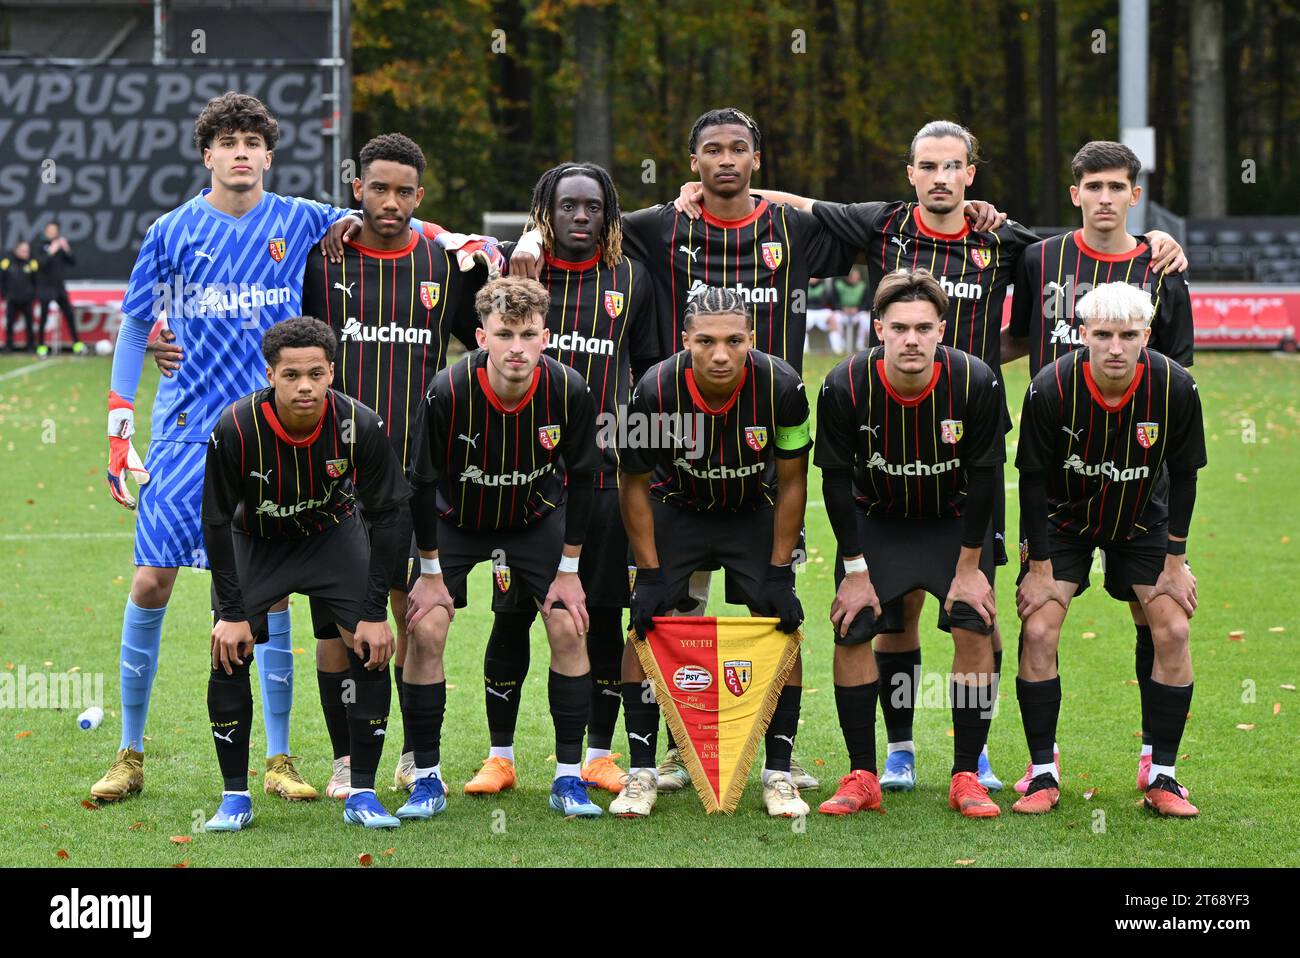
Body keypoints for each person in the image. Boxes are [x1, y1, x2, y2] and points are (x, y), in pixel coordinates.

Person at [683, 120, 1188, 793]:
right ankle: (896, 754)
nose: (942, 178)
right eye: (929, 165)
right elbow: (797, 206)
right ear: (912, 172)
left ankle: (979, 759)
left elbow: (1053, 298)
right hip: (890, 442)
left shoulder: (1006, 243)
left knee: (979, 608)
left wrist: (1159, 242)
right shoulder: (883, 226)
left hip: (970, 442)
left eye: (954, 166)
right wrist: (714, 190)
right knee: (892, 616)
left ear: (972, 175)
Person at [90, 91, 364, 804]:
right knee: (151, 582)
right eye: (227, 142)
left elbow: (390, 220)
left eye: (253, 142)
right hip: (184, 436)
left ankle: (278, 760)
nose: (241, 153)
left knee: (266, 600)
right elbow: (134, 325)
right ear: (207, 153)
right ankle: (130, 752)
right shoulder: (171, 230)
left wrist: (476, 244)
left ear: (269, 156)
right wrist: (121, 418)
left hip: (268, 443)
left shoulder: (301, 218)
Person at [1004, 140, 1196, 793]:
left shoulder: (1163, 267)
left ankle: (1157, 761)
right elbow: (1011, 330)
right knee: (1041, 620)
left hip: (1141, 481)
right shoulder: (1038, 259)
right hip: (1057, 477)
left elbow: (1176, 383)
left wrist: (1178, 550)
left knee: (1157, 615)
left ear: (1135, 195)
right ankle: (1042, 769)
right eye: (1094, 186)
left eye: (1118, 187)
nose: (1106, 198)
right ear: (1075, 192)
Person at [467, 162, 661, 797]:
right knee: (512, 615)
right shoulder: (514, 271)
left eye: (594, 207)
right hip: (518, 482)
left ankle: (597, 755)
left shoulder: (632, 278)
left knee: (596, 618)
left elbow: (652, 375)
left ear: (609, 214)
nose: (582, 217)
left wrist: (647, 463)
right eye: (568, 206)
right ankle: (500, 756)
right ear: (543, 212)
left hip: (600, 482)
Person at [404, 275, 604, 819]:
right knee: (425, 627)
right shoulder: (448, 390)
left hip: (534, 520)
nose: (516, 347)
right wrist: (428, 571)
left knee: (568, 623)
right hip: (458, 521)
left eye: (528, 334)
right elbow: (420, 483)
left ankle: (568, 779)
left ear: (546, 337)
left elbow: (584, 478)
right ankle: (425, 778)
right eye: (504, 333)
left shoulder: (569, 389)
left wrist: (569, 569)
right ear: (481, 336)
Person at [611, 285, 812, 819]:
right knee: (645, 625)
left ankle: (778, 773)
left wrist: (777, 570)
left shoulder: (783, 386)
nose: (720, 354)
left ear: (751, 339)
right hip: (678, 508)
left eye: (733, 341)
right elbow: (631, 485)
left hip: (754, 510)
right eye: (705, 341)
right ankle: (640, 772)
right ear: (685, 341)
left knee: (781, 622)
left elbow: (793, 482)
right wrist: (649, 575)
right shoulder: (655, 388)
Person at [201, 317, 409, 831]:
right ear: (270, 374)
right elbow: (214, 519)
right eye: (291, 374)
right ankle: (234, 797)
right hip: (259, 541)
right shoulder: (235, 427)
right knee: (229, 652)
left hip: (331, 536)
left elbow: (390, 515)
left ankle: (362, 790)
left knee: (369, 648)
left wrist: (373, 612)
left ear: (331, 373)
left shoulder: (360, 424)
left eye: (315, 373)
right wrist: (229, 613)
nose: (304, 386)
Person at [815, 269, 1004, 819]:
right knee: (854, 628)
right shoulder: (844, 384)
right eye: (900, 328)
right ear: (879, 330)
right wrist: (854, 570)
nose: (912, 339)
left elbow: (988, 476)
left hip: (952, 521)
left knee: (973, 621)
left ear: (942, 330)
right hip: (880, 520)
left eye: (924, 327)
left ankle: (966, 774)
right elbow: (832, 480)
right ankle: (863, 774)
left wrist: (970, 567)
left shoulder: (976, 381)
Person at [1012, 282, 1205, 817]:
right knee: (1039, 626)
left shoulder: (1175, 387)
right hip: (1063, 520)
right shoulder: (1049, 388)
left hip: (1143, 516)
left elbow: (1186, 475)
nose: (1115, 347)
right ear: (1081, 335)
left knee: (1173, 626)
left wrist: (1175, 561)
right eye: (1102, 335)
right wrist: (1040, 567)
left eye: (1127, 335)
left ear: (1147, 334)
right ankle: (1042, 772)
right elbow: (1030, 480)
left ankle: (1162, 773)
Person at [35, 222, 83, 356]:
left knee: (69, 315)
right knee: (43, 317)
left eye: (54, 230)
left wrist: (66, 249)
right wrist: (51, 251)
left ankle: (77, 344)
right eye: (50, 230)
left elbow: (72, 262)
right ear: (46, 231)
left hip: (59, 287)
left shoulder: (60, 246)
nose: (52, 232)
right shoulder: (40, 246)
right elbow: (40, 264)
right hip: (45, 287)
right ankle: (41, 346)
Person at [1, 241, 40, 353]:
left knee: (30, 323)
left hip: (27, 299)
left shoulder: (32, 263)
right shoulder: (6, 262)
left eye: (27, 250)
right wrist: (5, 295)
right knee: (9, 323)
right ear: (16, 250)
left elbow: (36, 281)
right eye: (23, 250)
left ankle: (31, 346)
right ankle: (8, 346)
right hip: (12, 298)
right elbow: (2, 280)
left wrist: (33, 295)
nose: (25, 253)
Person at [833, 267, 870, 352]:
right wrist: (842, 308)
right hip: (842, 312)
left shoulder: (863, 286)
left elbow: (867, 302)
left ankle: (860, 344)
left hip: (857, 313)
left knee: (864, 319)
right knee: (836, 319)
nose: (855, 278)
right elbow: (833, 300)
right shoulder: (838, 284)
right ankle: (840, 345)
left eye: (857, 276)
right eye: (853, 276)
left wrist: (858, 309)